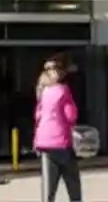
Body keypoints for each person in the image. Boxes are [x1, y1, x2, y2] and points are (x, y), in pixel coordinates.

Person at [34, 58, 82, 202]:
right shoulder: (63, 90)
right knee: (72, 179)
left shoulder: (42, 91)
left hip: (43, 143)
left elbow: (38, 115)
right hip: (61, 142)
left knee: (49, 183)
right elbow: (71, 115)